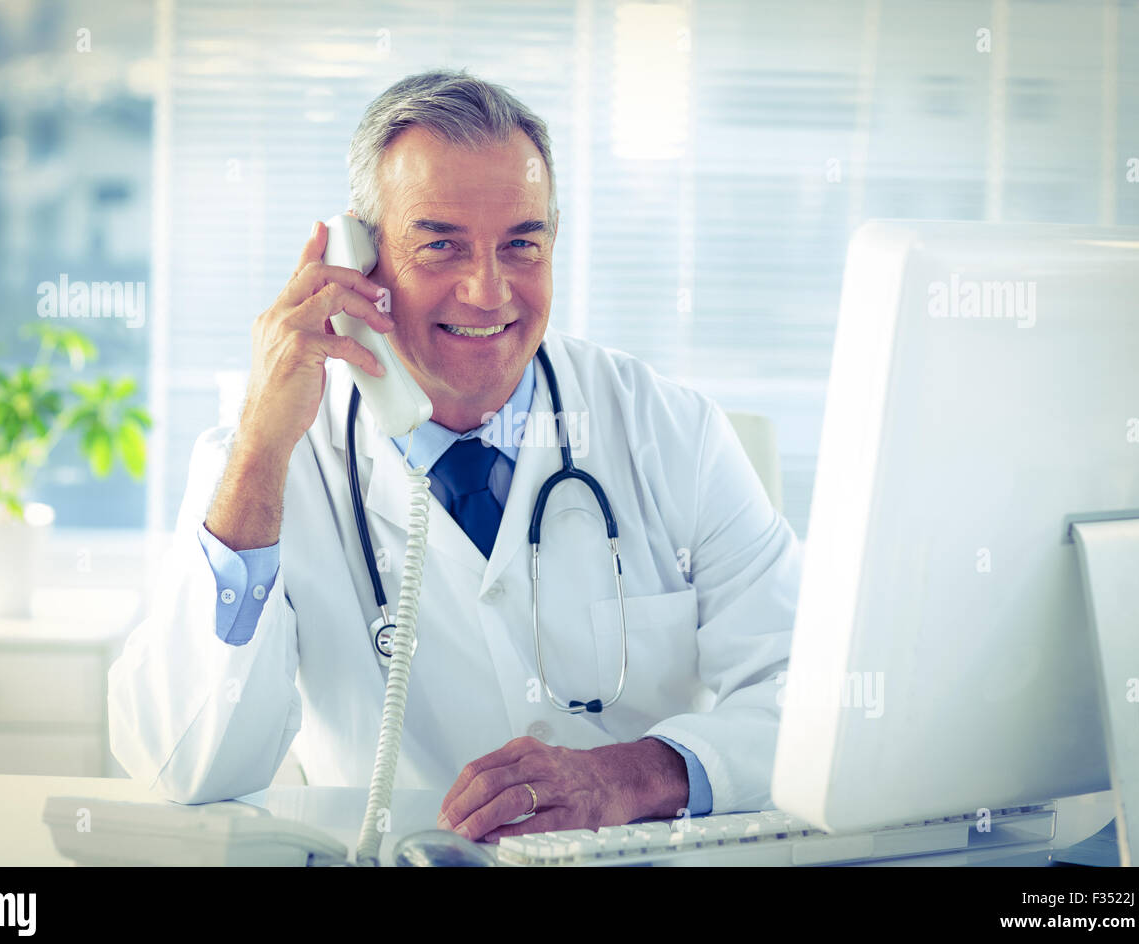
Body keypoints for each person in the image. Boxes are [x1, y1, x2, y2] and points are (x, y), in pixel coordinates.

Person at [108, 69, 803, 845]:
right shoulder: (267, 464)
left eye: (521, 245)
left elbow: (811, 699)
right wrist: (261, 451)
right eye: (440, 245)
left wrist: (634, 774)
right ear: (360, 260)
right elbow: (185, 767)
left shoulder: (672, 432)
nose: (487, 290)